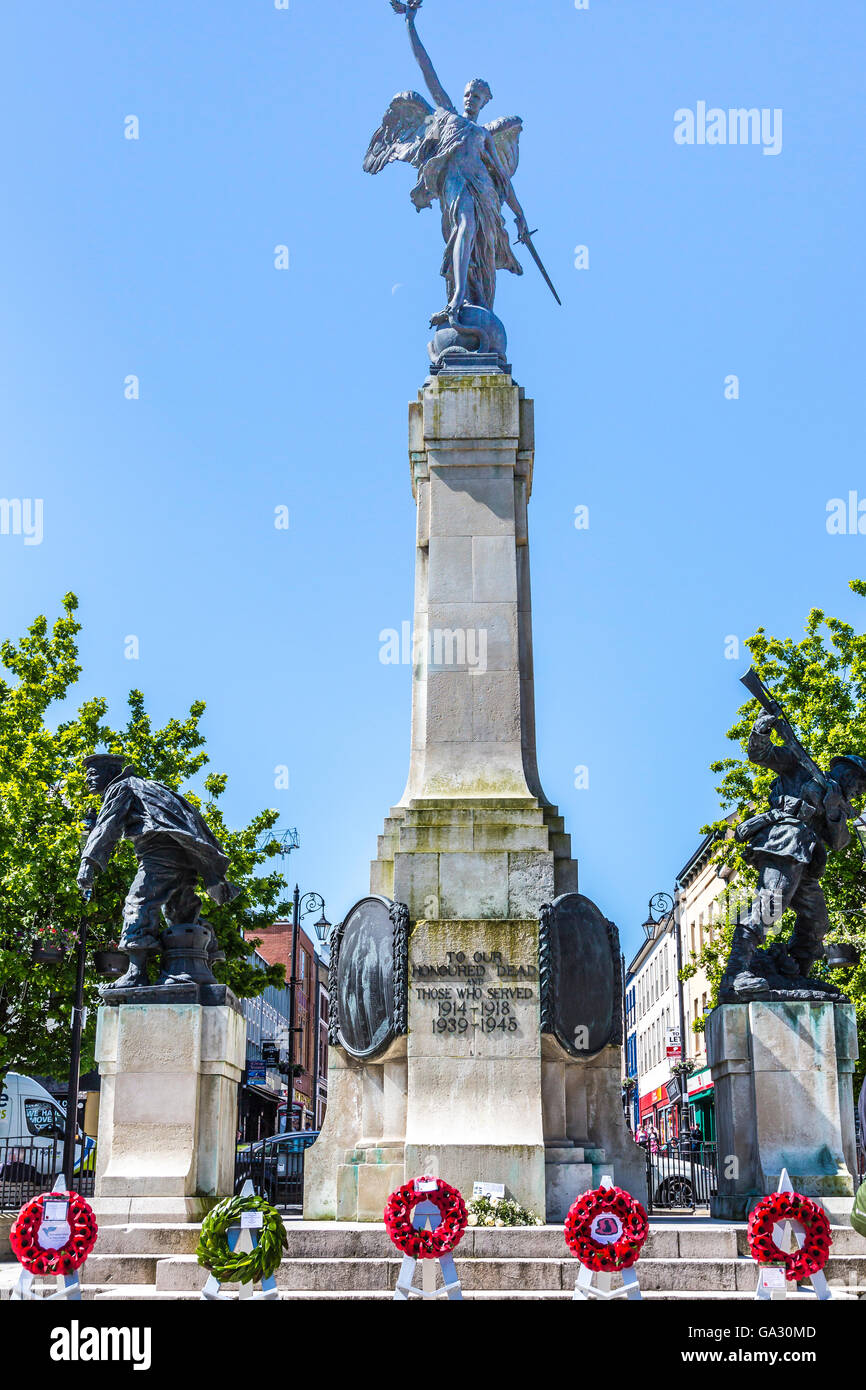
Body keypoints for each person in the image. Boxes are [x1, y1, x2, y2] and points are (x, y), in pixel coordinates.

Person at [365, 0, 530, 328]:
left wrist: (520, 216)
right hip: (456, 186)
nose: (471, 99)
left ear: (484, 102)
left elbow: (503, 180)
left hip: (482, 191)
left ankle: (473, 301)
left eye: (477, 96)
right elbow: (426, 68)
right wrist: (410, 23)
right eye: (469, 93)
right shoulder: (448, 116)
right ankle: (455, 301)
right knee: (464, 227)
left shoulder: (483, 135)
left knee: (480, 253)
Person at [719, 710, 866, 1000]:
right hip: (783, 843)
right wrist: (760, 731)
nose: (860, 794)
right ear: (850, 774)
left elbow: (838, 843)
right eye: (861, 787)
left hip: (807, 860)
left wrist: (834, 809)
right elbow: (762, 754)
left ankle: (795, 974)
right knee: (770, 904)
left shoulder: (836, 798)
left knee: (817, 921)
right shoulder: (800, 767)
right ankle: (736, 973)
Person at [76, 753, 239, 989]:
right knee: (180, 911)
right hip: (184, 853)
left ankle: (136, 973)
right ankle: (205, 955)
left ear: (110, 774)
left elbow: (107, 826)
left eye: (93, 774)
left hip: (159, 853)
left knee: (137, 903)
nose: (88, 780)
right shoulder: (146, 786)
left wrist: (88, 862)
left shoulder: (121, 787)